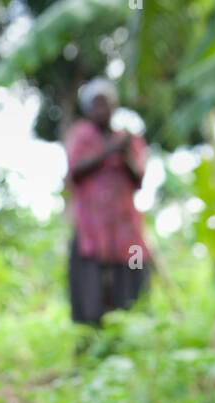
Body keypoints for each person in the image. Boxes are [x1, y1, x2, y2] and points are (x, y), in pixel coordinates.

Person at [64, 77, 150, 332]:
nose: (101, 109)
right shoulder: (80, 136)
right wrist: (107, 151)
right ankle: (91, 336)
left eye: (106, 104)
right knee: (90, 284)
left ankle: (128, 331)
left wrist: (122, 153)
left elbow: (139, 179)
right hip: (90, 228)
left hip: (124, 228)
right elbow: (74, 172)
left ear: (115, 106)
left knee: (130, 277)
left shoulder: (128, 139)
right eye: (96, 104)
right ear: (88, 109)